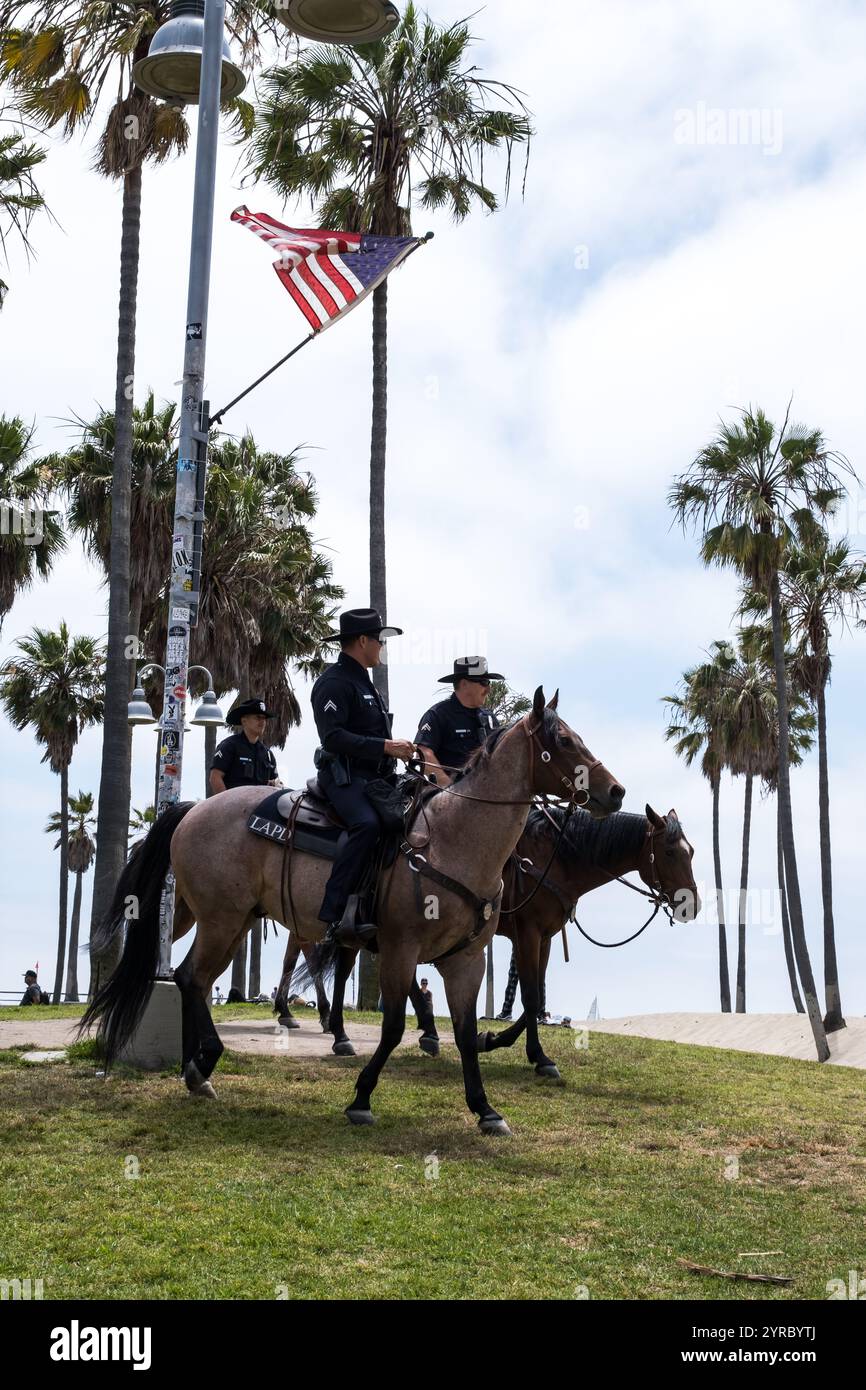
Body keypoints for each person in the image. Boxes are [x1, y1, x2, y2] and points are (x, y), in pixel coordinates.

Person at [311, 607, 416, 946]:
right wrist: (386, 746)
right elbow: (334, 738)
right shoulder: (334, 682)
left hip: (374, 780)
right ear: (361, 641)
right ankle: (334, 914)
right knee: (366, 825)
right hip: (343, 777)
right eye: (378, 641)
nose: (381, 647)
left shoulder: (363, 682)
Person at [413, 656, 505, 787]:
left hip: (489, 794)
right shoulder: (438, 714)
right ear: (464, 684)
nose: (488, 690)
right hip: (449, 799)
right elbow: (423, 752)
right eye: (483, 682)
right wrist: (449, 789)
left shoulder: (490, 718)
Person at [209, 698, 282, 794]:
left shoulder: (268, 754)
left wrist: (275, 784)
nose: (262, 722)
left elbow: (276, 782)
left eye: (264, 718)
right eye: (257, 717)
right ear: (244, 721)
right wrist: (227, 804)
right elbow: (215, 777)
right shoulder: (229, 746)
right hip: (235, 805)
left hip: (260, 806)